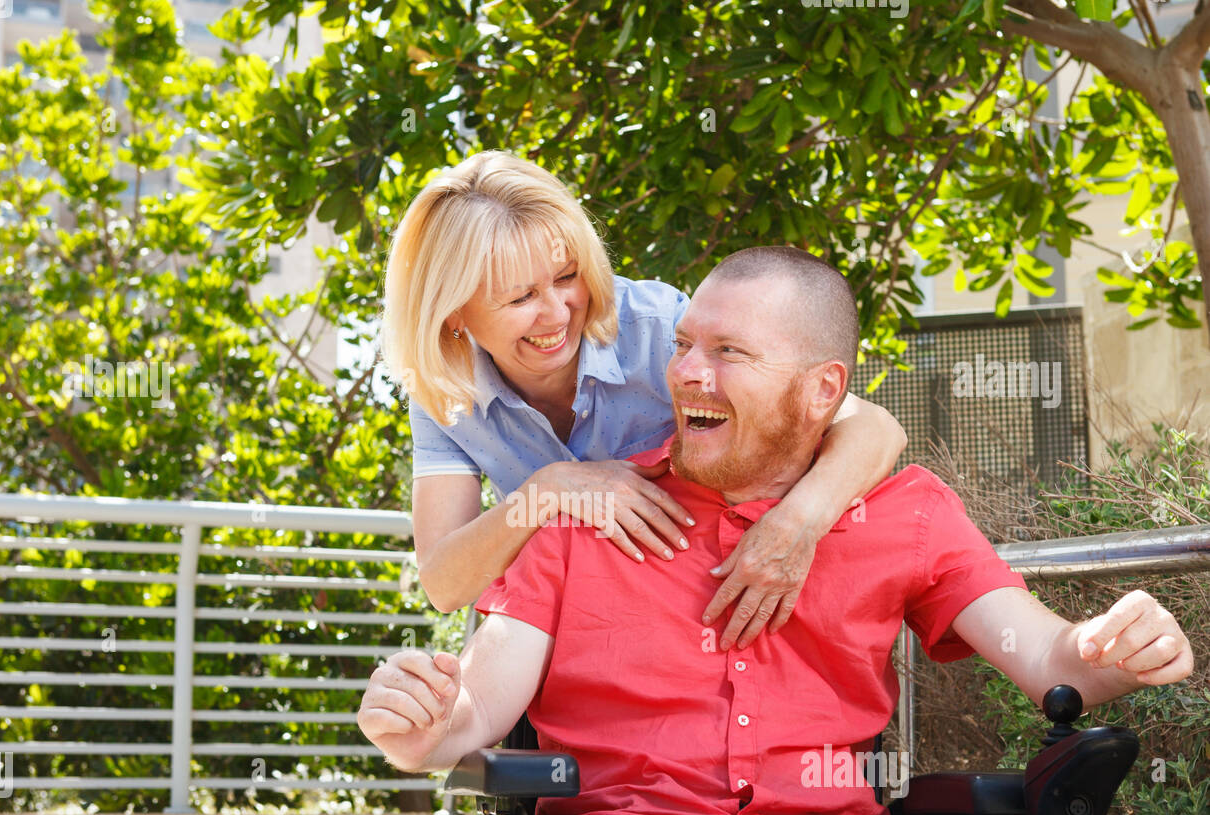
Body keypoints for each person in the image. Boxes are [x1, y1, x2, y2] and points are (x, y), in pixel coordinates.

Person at [359, 246, 1194, 815]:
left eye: (729, 352)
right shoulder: (582, 516)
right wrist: (421, 723)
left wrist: (1112, 649)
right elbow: (472, 709)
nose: (685, 372)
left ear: (824, 390)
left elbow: (1053, 660)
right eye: (683, 344)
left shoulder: (902, 514)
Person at [382, 151, 908, 650]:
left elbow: (876, 429)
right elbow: (444, 583)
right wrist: (549, 490)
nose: (557, 313)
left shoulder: (658, 329)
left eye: (567, 277)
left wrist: (796, 524)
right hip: (565, 639)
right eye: (520, 297)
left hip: (709, 613)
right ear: (453, 312)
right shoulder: (443, 389)